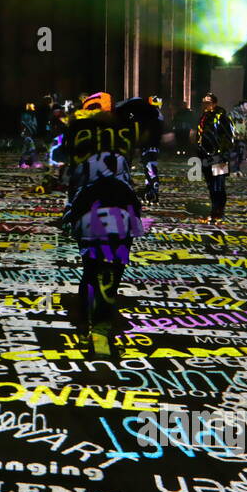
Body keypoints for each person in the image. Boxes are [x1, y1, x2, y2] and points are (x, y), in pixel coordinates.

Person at [60, 147, 144, 357]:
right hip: (121, 221)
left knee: (90, 272)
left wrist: (70, 223)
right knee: (112, 276)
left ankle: (84, 325)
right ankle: (101, 328)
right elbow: (135, 207)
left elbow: (74, 201)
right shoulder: (120, 164)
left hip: (91, 222)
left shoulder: (87, 162)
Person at [195, 93, 233, 223]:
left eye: (208, 102)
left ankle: (219, 212)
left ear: (214, 103)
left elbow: (228, 137)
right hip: (205, 157)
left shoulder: (221, 117)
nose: (205, 105)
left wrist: (223, 155)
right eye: (203, 102)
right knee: (211, 185)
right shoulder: (204, 117)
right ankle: (214, 210)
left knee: (219, 186)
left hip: (219, 157)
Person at [19, 103, 39, 168]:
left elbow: (34, 124)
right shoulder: (27, 115)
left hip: (29, 134)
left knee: (30, 149)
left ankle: (29, 163)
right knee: (28, 149)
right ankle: (23, 163)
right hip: (27, 134)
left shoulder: (32, 115)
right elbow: (23, 124)